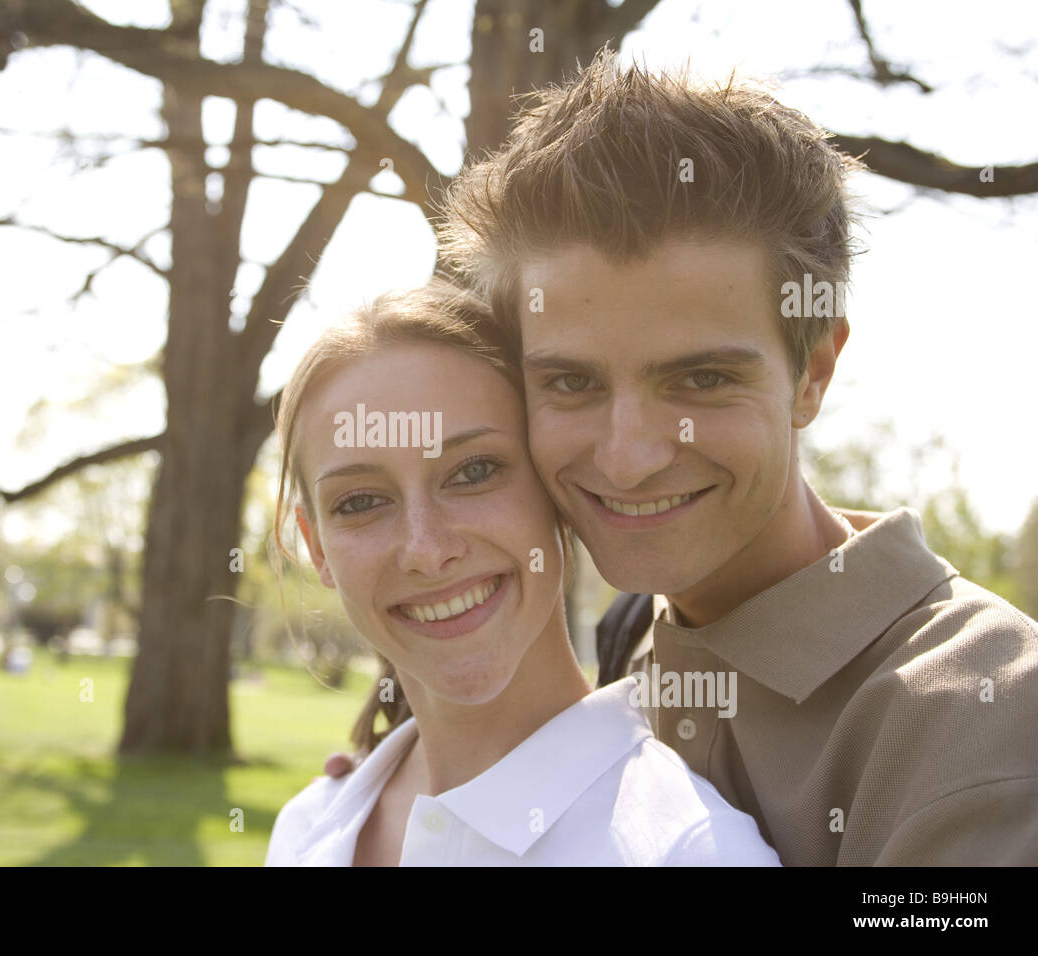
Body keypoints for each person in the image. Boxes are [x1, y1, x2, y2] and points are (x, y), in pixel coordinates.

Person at [325, 50, 1038, 866]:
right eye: (570, 381)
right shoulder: (638, 634)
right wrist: (408, 810)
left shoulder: (987, 723)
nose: (628, 459)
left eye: (702, 379)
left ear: (813, 371)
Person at [262, 280, 780, 866]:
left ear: (556, 488)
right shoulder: (306, 828)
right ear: (317, 547)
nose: (426, 550)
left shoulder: (687, 851)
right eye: (359, 502)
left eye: (474, 470)